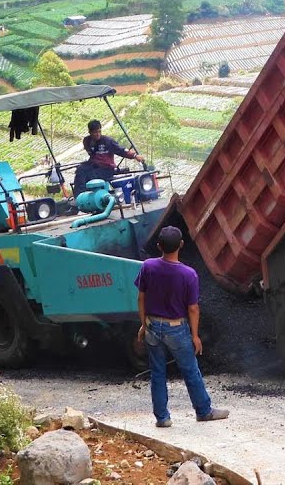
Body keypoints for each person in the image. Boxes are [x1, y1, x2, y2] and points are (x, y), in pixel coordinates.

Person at [135, 226, 228, 428]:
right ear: (182, 245)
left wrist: (143, 324)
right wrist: (195, 336)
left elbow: (141, 298)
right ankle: (203, 411)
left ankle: (162, 418)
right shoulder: (188, 274)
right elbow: (193, 308)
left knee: (157, 373)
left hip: (152, 326)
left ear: (158, 246)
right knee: (190, 371)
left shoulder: (148, 267)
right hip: (176, 329)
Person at [75, 119, 145, 193]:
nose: (98, 134)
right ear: (90, 132)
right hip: (93, 166)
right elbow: (91, 153)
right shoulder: (87, 141)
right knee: (80, 170)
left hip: (106, 169)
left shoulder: (107, 141)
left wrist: (135, 156)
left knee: (90, 175)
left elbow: (121, 150)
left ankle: (91, 192)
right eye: (95, 132)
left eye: (99, 131)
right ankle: (80, 195)